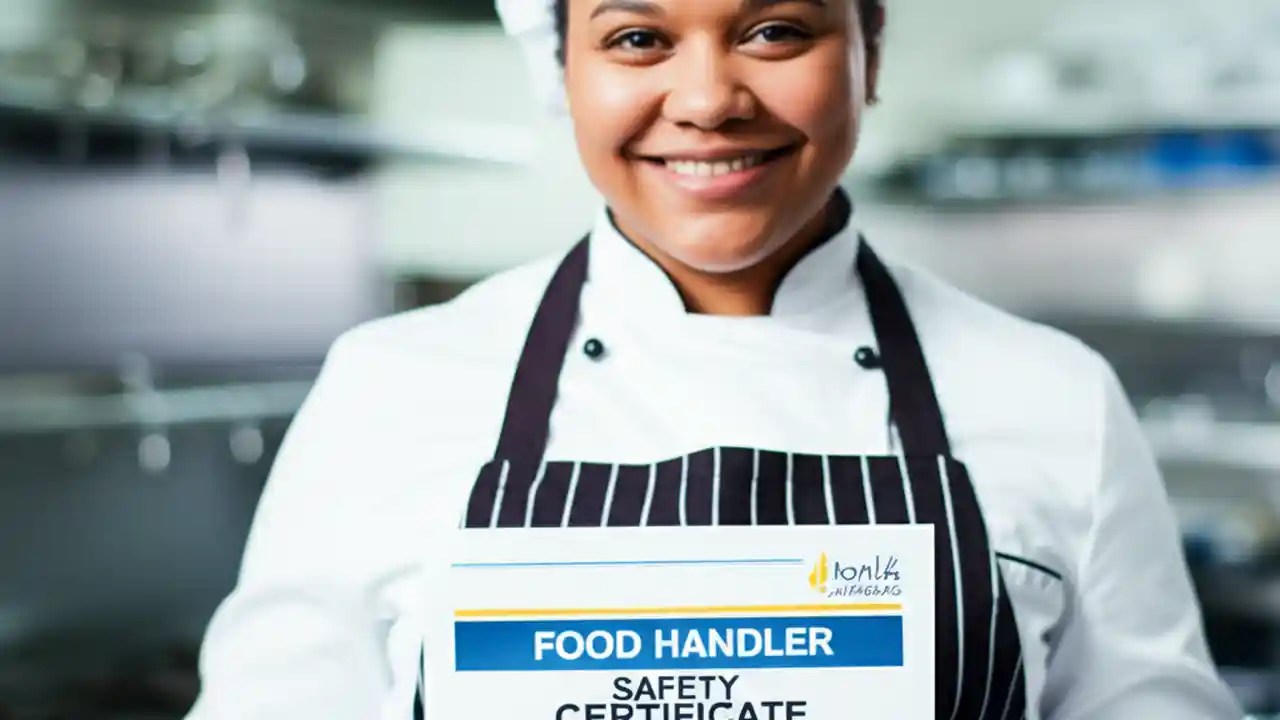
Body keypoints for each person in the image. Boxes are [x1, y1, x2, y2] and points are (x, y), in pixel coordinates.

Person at [186, 0, 1244, 718]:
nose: (706, 99)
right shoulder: (392, 389)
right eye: (637, 38)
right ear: (560, 66)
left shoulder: (1052, 396)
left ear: (867, 47)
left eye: (775, 29)